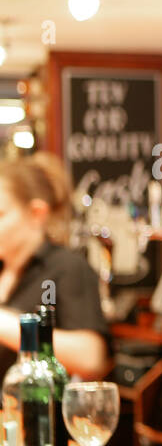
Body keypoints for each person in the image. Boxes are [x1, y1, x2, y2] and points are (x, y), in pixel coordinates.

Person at [0, 155, 111, 380]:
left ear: (36, 214)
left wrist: (6, 325)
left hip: (39, 411)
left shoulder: (68, 268)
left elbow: (91, 358)